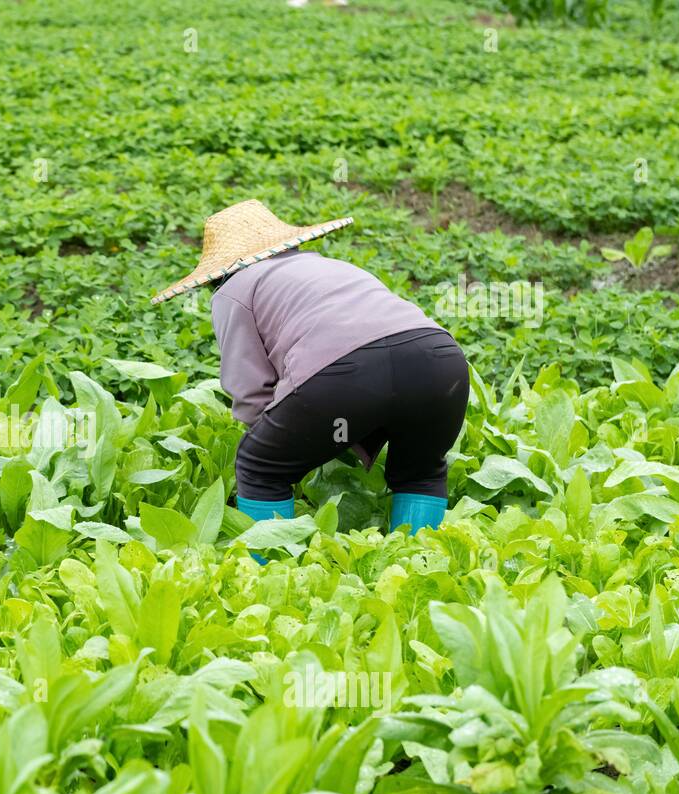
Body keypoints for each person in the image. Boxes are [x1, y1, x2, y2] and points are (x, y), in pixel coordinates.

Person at [151, 200, 469, 541]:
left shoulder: (233, 290)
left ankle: (268, 572)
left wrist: (278, 445)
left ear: (218, 274)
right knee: (421, 472)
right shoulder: (331, 267)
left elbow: (250, 389)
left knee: (260, 467)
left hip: (349, 369)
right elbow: (387, 344)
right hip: (441, 360)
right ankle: (419, 565)